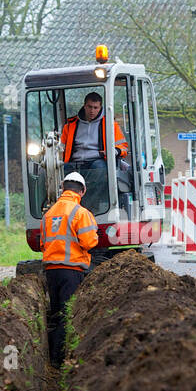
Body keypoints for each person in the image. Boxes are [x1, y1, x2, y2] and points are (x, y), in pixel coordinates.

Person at [41, 172, 99, 366]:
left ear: (63, 189)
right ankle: (58, 360)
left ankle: (49, 356)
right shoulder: (81, 213)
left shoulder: (48, 214)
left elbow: (43, 244)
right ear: (82, 191)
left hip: (51, 270)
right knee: (68, 314)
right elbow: (90, 242)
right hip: (72, 271)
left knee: (56, 312)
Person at [60, 91, 127, 210]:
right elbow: (61, 148)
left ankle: (89, 207)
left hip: (96, 160)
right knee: (61, 171)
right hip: (73, 162)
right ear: (84, 106)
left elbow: (123, 147)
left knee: (100, 168)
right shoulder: (70, 125)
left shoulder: (110, 125)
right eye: (90, 107)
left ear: (100, 107)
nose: (92, 111)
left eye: (95, 108)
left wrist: (114, 151)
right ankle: (65, 207)